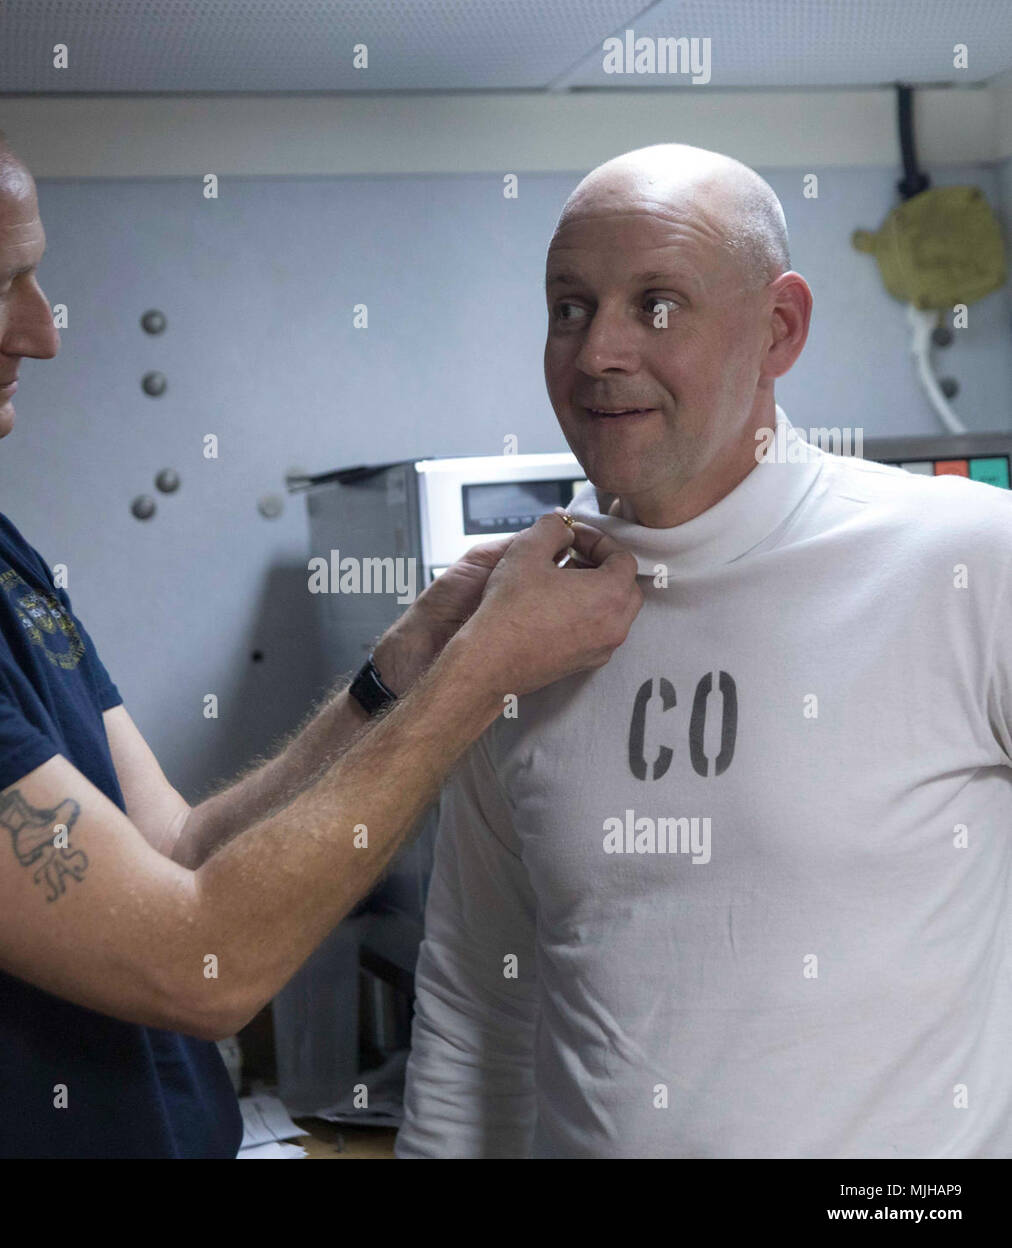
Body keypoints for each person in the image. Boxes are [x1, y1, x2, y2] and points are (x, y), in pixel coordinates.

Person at [0, 62, 643, 1159]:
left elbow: (179, 848)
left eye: (32, 281)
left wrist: (401, 671)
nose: (42, 334)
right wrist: (482, 674)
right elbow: (202, 961)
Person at [397, 144, 1012, 1158]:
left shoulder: (966, 561)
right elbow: (477, 1007)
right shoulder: (515, 632)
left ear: (779, 329)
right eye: (568, 308)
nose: (598, 352)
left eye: (658, 307)